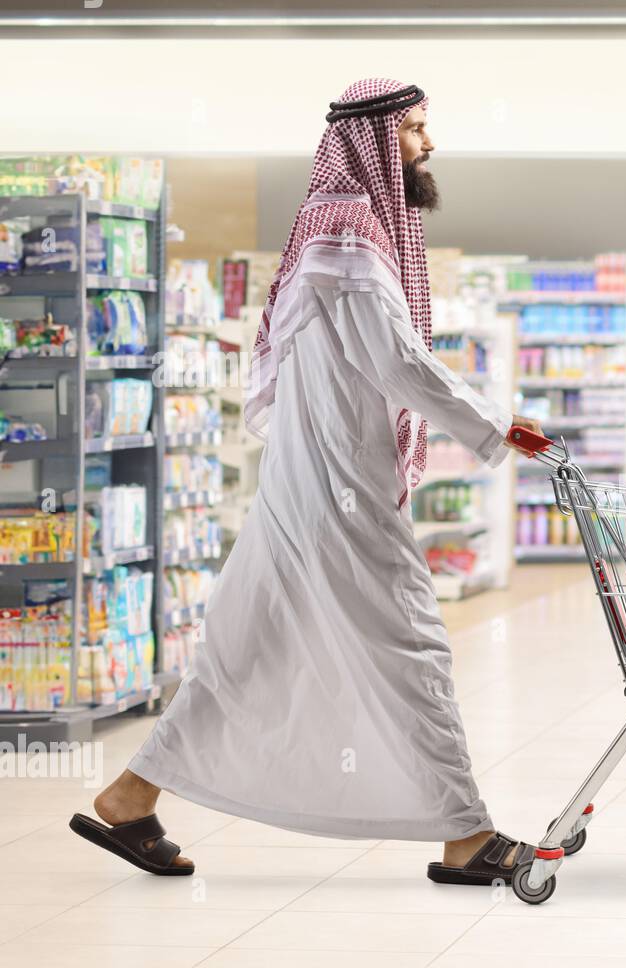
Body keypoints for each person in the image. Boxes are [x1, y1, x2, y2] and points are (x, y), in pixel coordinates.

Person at [70, 77, 543, 887]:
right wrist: (493, 425)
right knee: (414, 646)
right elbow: (394, 359)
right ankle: (467, 835)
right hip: (339, 486)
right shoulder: (353, 232)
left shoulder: (329, 227)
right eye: (418, 129)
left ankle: (129, 792)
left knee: (242, 645)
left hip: (307, 479)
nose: (430, 145)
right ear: (375, 136)